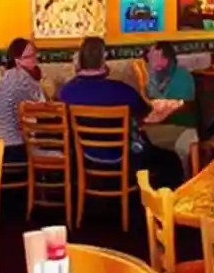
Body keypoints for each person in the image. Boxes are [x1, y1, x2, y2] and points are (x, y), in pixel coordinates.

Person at [58, 37, 183, 188]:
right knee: (170, 160)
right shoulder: (121, 91)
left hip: (84, 160)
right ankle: (160, 207)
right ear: (103, 59)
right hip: (123, 159)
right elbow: (145, 112)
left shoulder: (66, 93)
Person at [142, 41, 199, 176]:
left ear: (166, 59)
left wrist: (163, 108)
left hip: (181, 127)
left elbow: (187, 105)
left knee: (187, 141)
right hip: (154, 128)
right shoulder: (149, 78)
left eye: (154, 57)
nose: (150, 62)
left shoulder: (183, 77)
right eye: (150, 58)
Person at [0, 37, 45, 164]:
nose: (35, 61)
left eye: (34, 55)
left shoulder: (4, 77)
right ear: (17, 60)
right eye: (30, 57)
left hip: (3, 148)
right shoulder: (22, 78)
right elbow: (43, 109)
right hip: (17, 149)